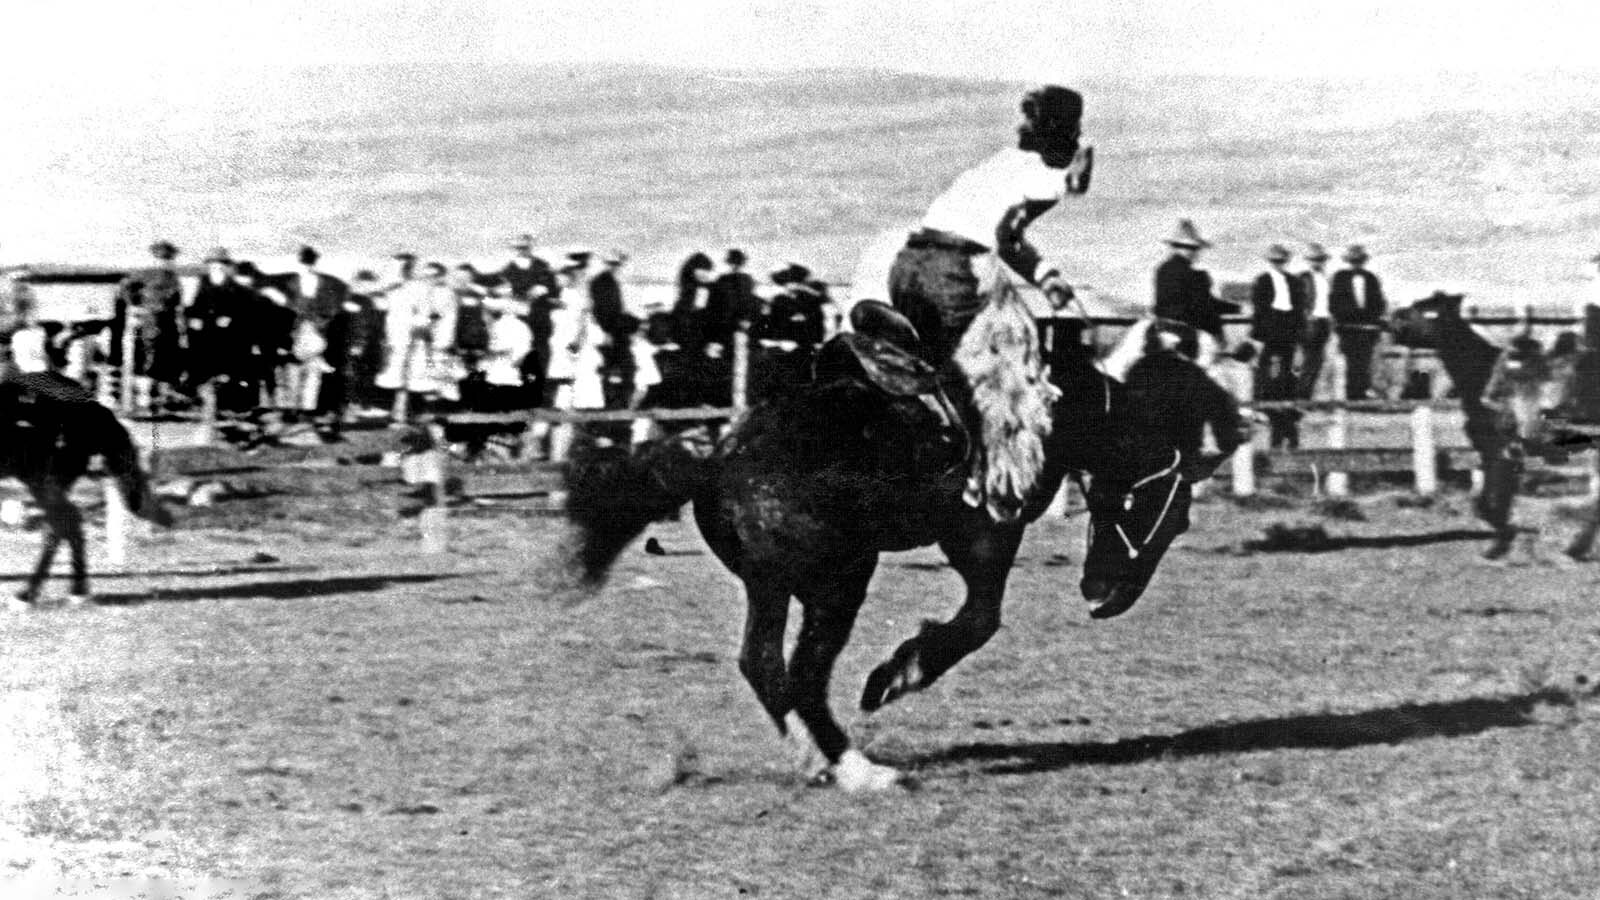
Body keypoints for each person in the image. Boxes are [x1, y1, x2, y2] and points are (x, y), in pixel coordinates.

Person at [880, 85, 1093, 521]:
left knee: (934, 362)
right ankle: (990, 479)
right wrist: (1049, 278)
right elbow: (1009, 240)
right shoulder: (1046, 179)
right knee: (1012, 366)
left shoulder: (1000, 163)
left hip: (906, 266)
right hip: (954, 272)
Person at [111, 240, 186, 410]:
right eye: (161, 258)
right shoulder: (144, 274)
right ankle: (143, 400)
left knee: (166, 358)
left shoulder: (173, 278)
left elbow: (177, 301)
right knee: (147, 358)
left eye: (168, 258)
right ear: (155, 258)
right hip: (149, 322)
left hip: (168, 323)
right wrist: (135, 306)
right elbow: (124, 288)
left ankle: (161, 400)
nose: (164, 262)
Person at [1250, 244, 1307, 449]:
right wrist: (1257, 343)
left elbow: (1300, 314)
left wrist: (1300, 344)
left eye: (1281, 261)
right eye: (1274, 261)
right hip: (1272, 345)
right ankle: (1279, 435)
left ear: (1286, 262)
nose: (1278, 265)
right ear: (1269, 262)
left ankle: (1290, 437)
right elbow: (1259, 315)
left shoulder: (1295, 283)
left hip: (1289, 344)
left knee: (1288, 388)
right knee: (1274, 385)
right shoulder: (1262, 283)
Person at [1153, 220, 1234, 362]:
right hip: (1187, 336)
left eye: (1195, 249)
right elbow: (1207, 307)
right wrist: (1220, 335)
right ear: (1180, 248)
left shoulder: (1162, 269)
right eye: (1192, 249)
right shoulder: (1195, 276)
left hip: (1162, 332)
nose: (1195, 253)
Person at [1329, 244, 1387, 400]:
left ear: (1363, 261)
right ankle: (1352, 395)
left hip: (1368, 328)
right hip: (1348, 328)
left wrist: (1374, 320)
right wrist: (1344, 319)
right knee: (1351, 362)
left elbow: (1378, 302)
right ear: (1349, 262)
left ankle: (1362, 394)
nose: (1357, 264)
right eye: (1354, 261)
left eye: (1359, 261)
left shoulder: (1371, 278)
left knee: (1365, 362)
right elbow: (1334, 302)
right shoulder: (1340, 277)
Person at [1296, 242, 1335, 399]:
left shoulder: (1328, 279)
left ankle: (1306, 395)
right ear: (1308, 261)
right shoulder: (1302, 278)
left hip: (1324, 322)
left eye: (1319, 259)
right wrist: (1305, 315)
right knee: (1310, 360)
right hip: (1309, 323)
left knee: (1318, 360)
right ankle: (1302, 396)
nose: (1317, 262)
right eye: (1314, 259)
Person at [705, 248, 760, 350]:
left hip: (739, 321)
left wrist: (746, 318)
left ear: (741, 263)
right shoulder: (723, 279)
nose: (735, 265)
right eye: (733, 262)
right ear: (729, 263)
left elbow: (749, 300)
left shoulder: (746, 279)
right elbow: (717, 299)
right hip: (726, 320)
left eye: (737, 262)